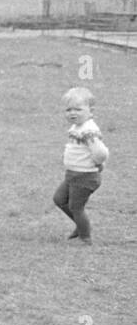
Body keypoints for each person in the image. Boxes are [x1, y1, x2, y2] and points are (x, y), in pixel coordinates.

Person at [53, 86, 108, 244]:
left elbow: (101, 152)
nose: (72, 113)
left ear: (91, 111)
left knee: (76, 207)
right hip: (73, 174)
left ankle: (85, 237)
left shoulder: (89, 131)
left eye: (78, 109)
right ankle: (80, 224)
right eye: (68, 109)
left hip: (85, 176)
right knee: (59, 199)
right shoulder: (77, 128)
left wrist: (99, 164)